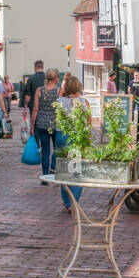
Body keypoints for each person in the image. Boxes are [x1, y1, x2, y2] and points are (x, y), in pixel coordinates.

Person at [56, 76, 88, 212]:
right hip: (78, 137)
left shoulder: (59, 101)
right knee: (76, 169)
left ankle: (66, 200)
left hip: (62, 136)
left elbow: (57, 119)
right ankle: (73, 201)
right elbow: (89, 121)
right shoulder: (84, 102)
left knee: (64, 168)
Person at [31, 67, 61, 182]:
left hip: (42, 125)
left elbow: (35, 109)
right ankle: (53, 168)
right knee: (57, 148)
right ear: (56, 78)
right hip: (55, 124)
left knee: (45, 150)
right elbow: (60, 109)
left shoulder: (39, 90)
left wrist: (32, 126)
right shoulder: (59, 91)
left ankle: (45, 176)